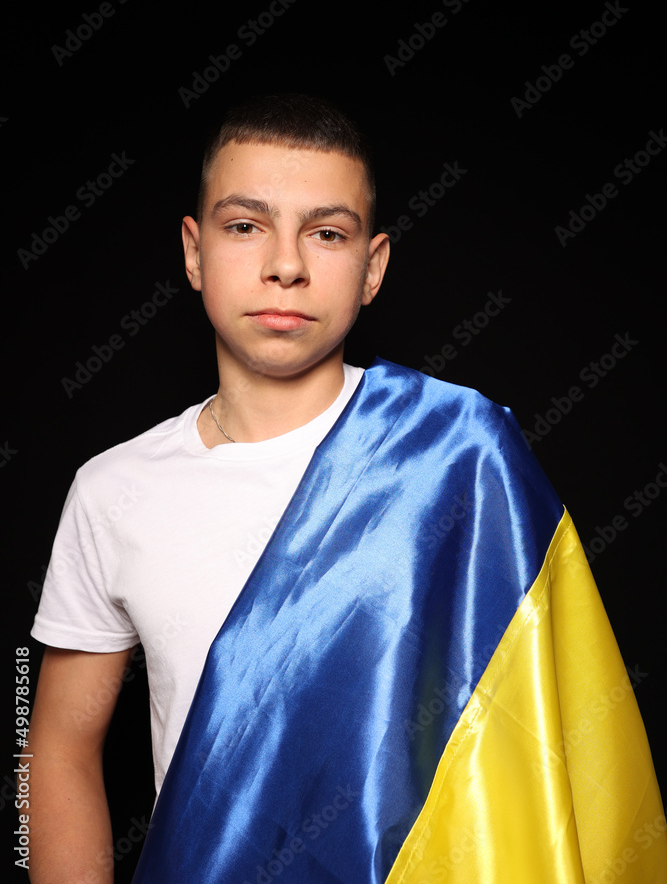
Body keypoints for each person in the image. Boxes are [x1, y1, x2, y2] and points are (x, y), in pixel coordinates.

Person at [26, 94, 665, 884]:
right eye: (244, 226)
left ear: (372, 267)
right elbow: (56, 745)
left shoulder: (460, 454)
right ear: (192, 253)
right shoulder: (111, 490)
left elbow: (551, 723)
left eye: (326, 233)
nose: (285, 265)